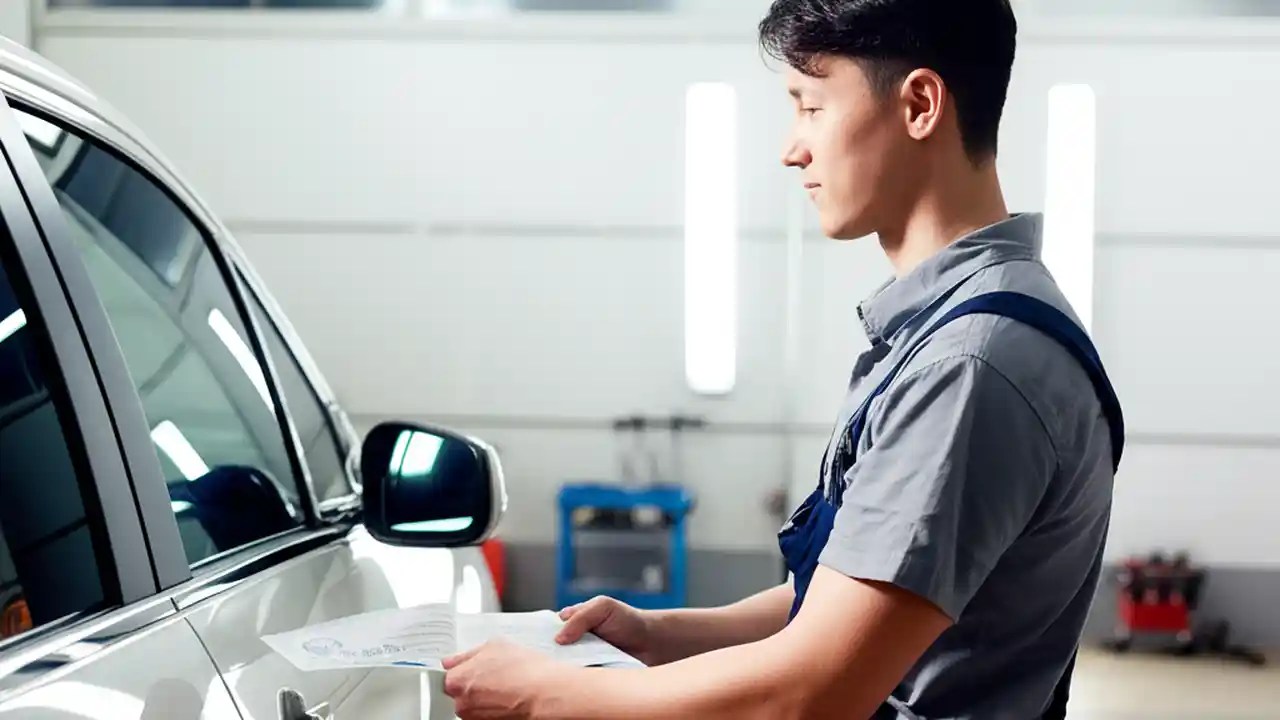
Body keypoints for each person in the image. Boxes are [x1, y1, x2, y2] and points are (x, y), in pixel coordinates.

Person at [441, 0, 1124, 717]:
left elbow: (812, 692)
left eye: (811, 106)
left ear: (920, 103)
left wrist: (554, 695)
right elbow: (850, 601)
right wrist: (659, 635)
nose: (791, 149)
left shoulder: (970, 366)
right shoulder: (967, 329)